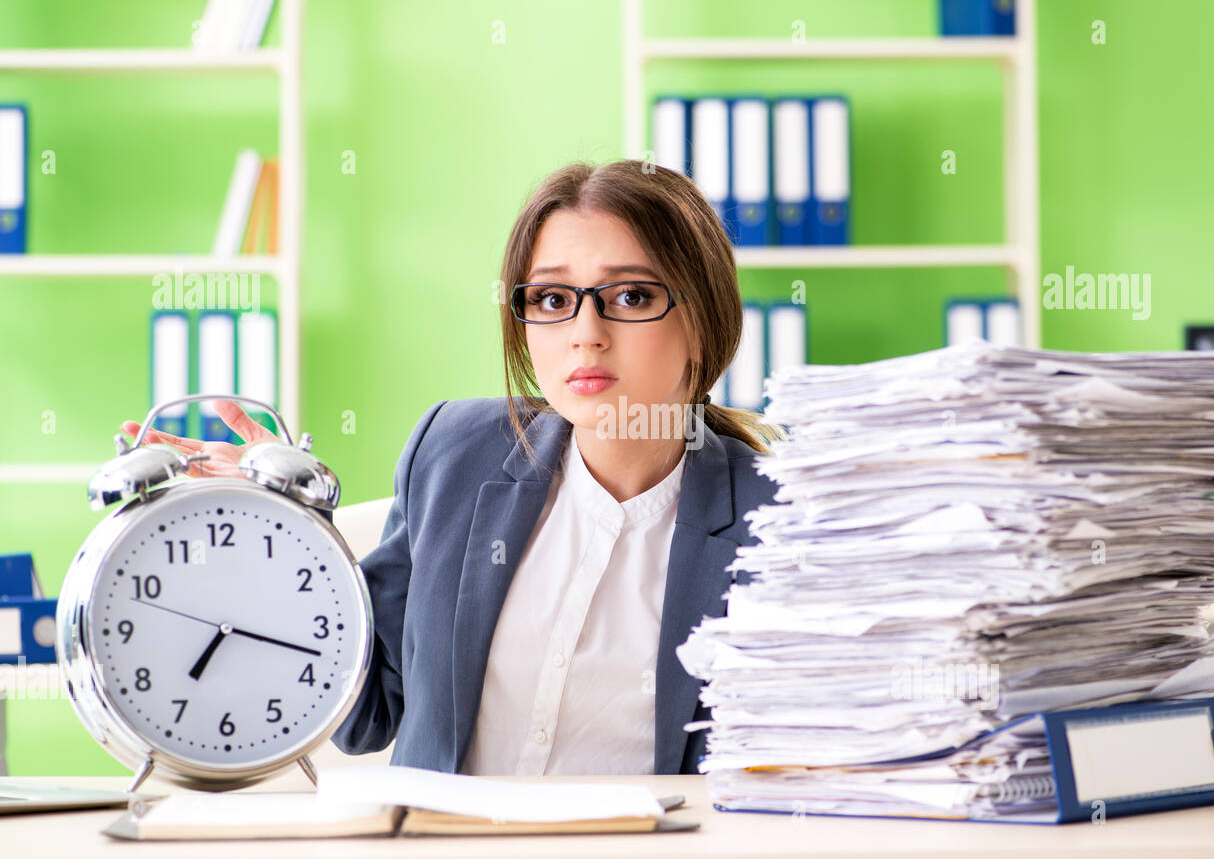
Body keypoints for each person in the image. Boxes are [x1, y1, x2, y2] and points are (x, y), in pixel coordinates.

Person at [121, 159, 782, 776]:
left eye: (632, 296)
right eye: (552, 299)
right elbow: (364, 712)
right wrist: (286, 535)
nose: (586, 331)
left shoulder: (781, 527)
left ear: (702, 323)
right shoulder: (453, 454)